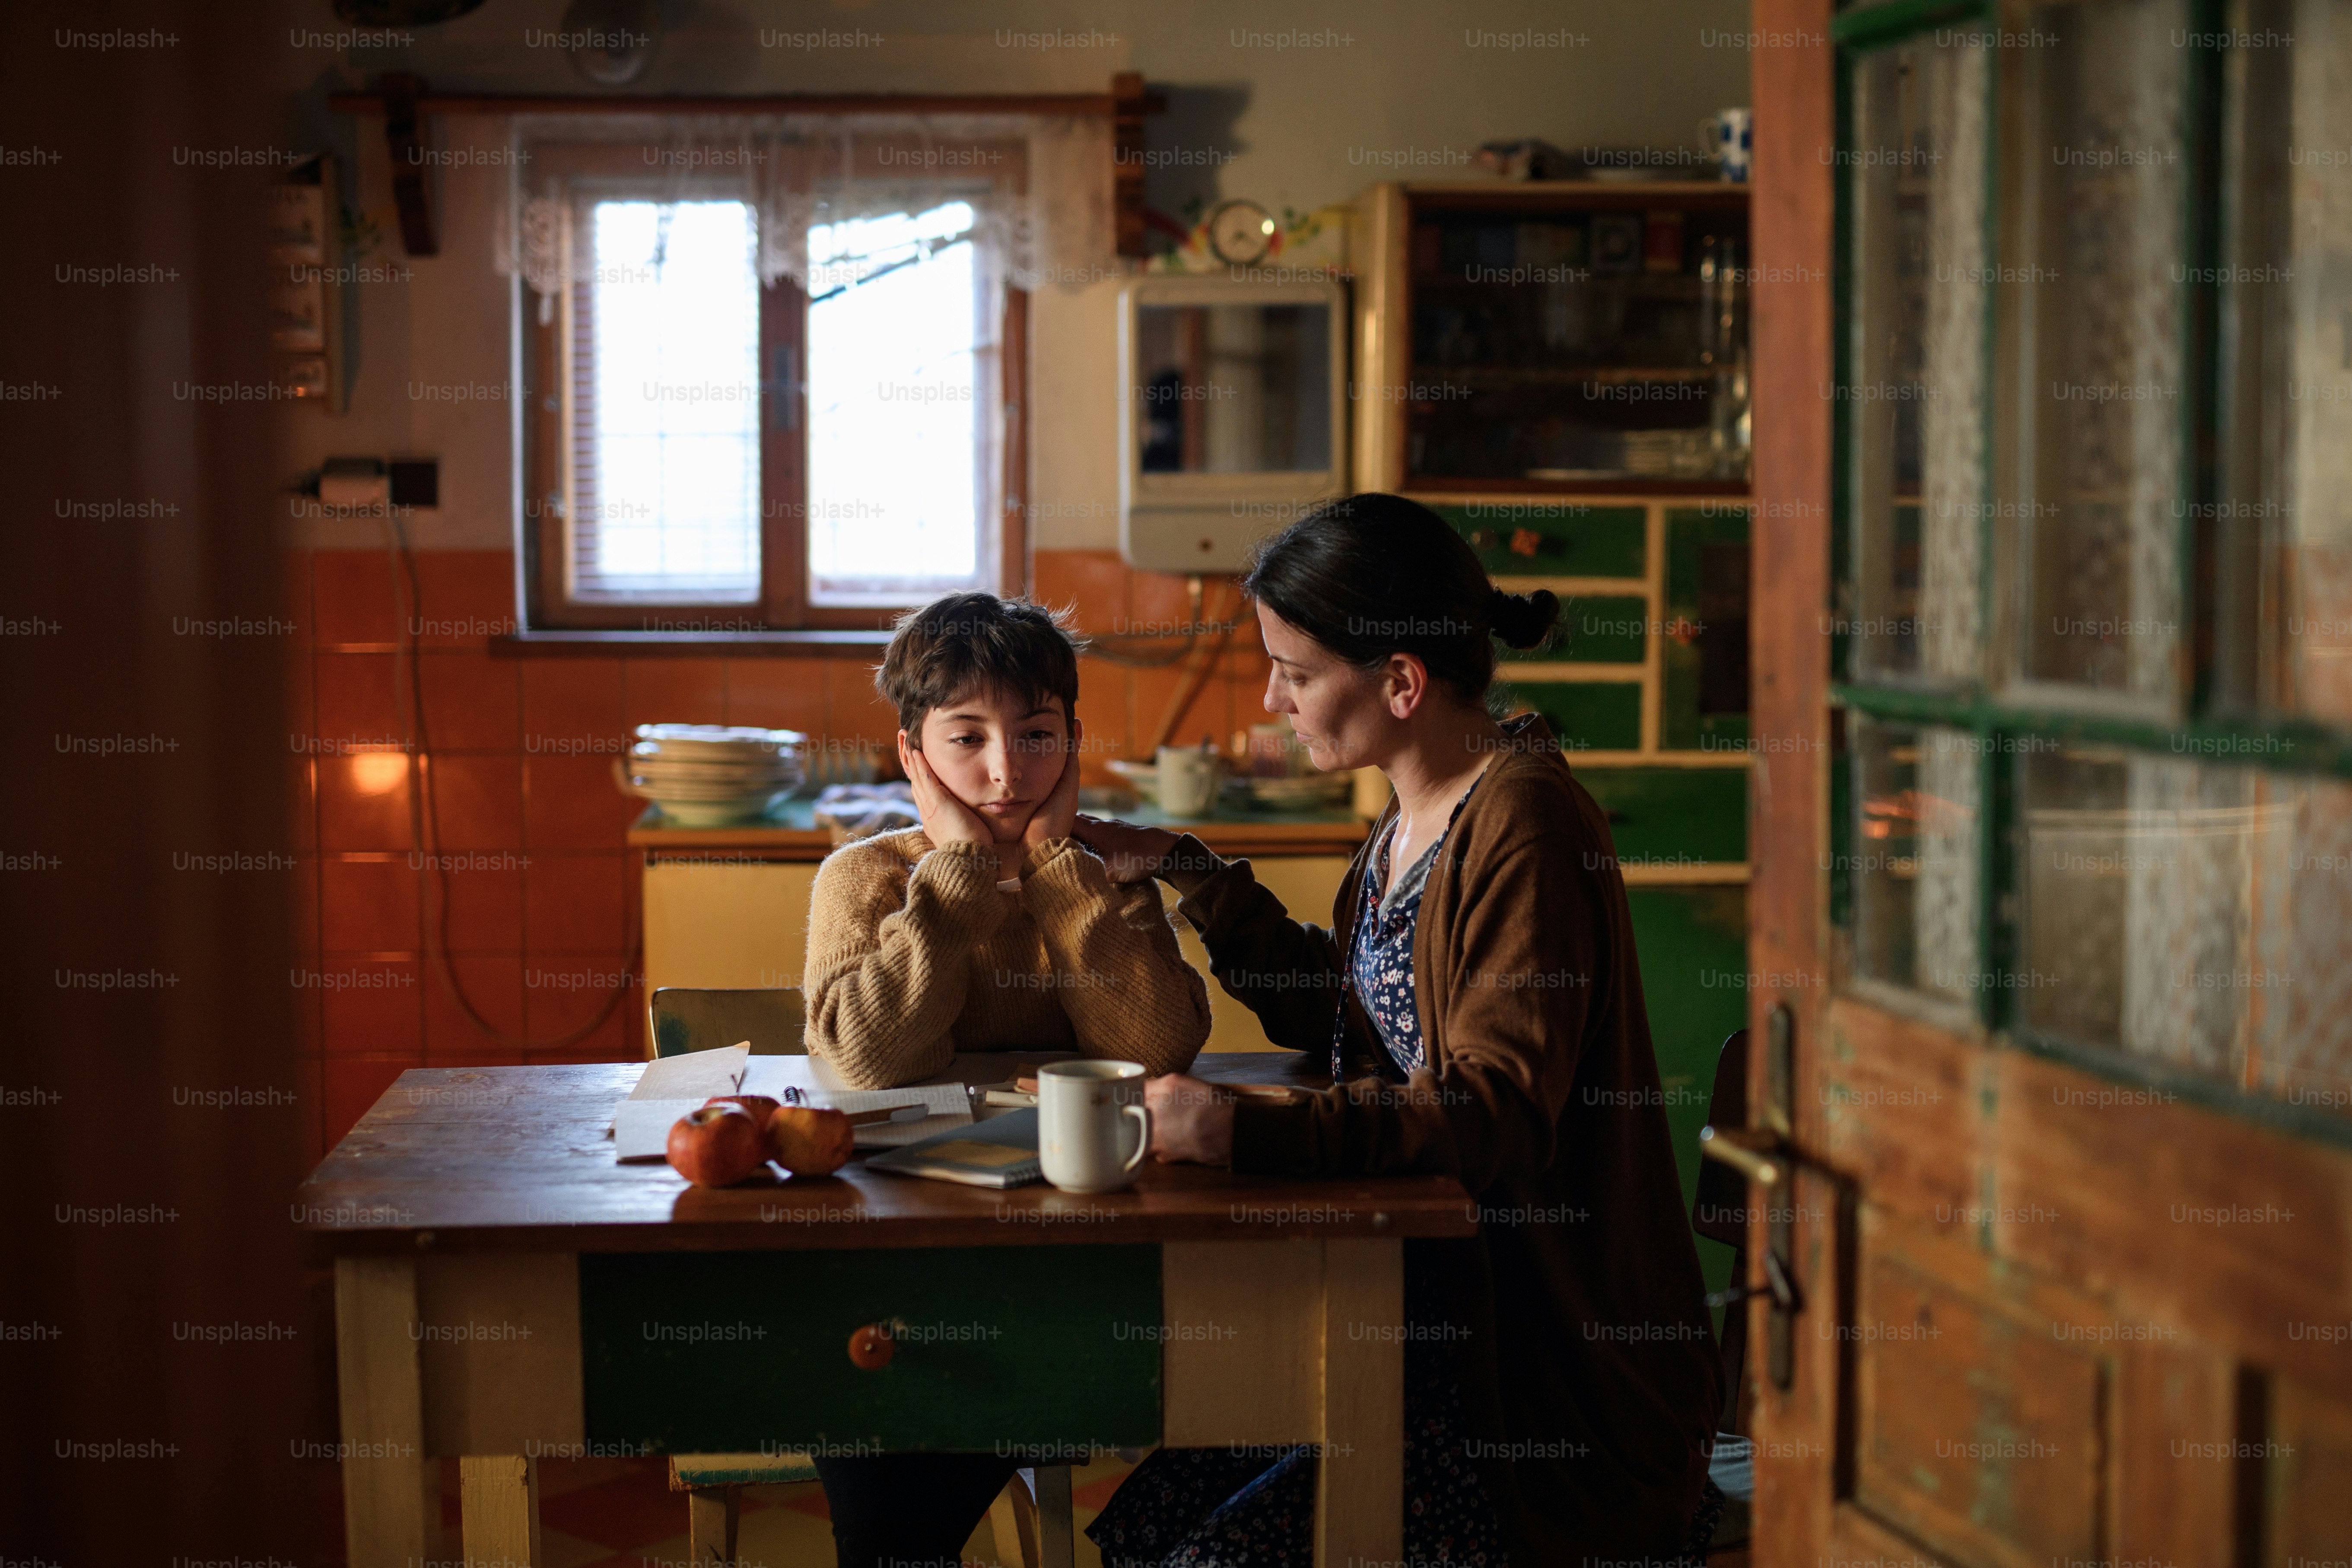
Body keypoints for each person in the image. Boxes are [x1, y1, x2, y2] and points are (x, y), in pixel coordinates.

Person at [1072, 495, 1724, 1566]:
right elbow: (1357, 1018)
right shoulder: (1413, 815)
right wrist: (1191, 873)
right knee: (1145, 1528)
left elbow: (1491, 1113)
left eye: (1294, 670)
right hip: (1427, 1332)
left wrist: (1240, 1132)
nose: (1273, 697)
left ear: (1401, 683)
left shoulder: (1525, 823)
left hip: (1535, 1396)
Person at [801, 591, 1213, 1568]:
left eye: (1036, 736)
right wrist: (953, 879)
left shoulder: (1105, 873)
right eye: (966, 739)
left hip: (1079, 1250)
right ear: (913, 757)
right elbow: (867, 1062)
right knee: (886, 1414)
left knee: (944, 1418)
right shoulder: (865, 878)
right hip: (906, 1251)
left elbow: (1155, 1051)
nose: (1003, 771)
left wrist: (1062, 877)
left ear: (1071, 743)